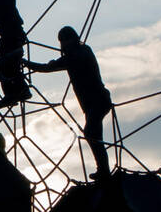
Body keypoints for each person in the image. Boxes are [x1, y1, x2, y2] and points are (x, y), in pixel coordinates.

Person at [25, 26, 113, 178]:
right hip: (95, 102)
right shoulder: (81, 52)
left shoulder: (79, 54)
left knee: (91, 132)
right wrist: (31, 64)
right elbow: (50, 67)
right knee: (93, 133)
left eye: (65, 40)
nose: (64, 44)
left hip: (97, 100)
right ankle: (103, 170)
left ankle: (104, 170)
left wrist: (29, 63)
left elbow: (49, 67)